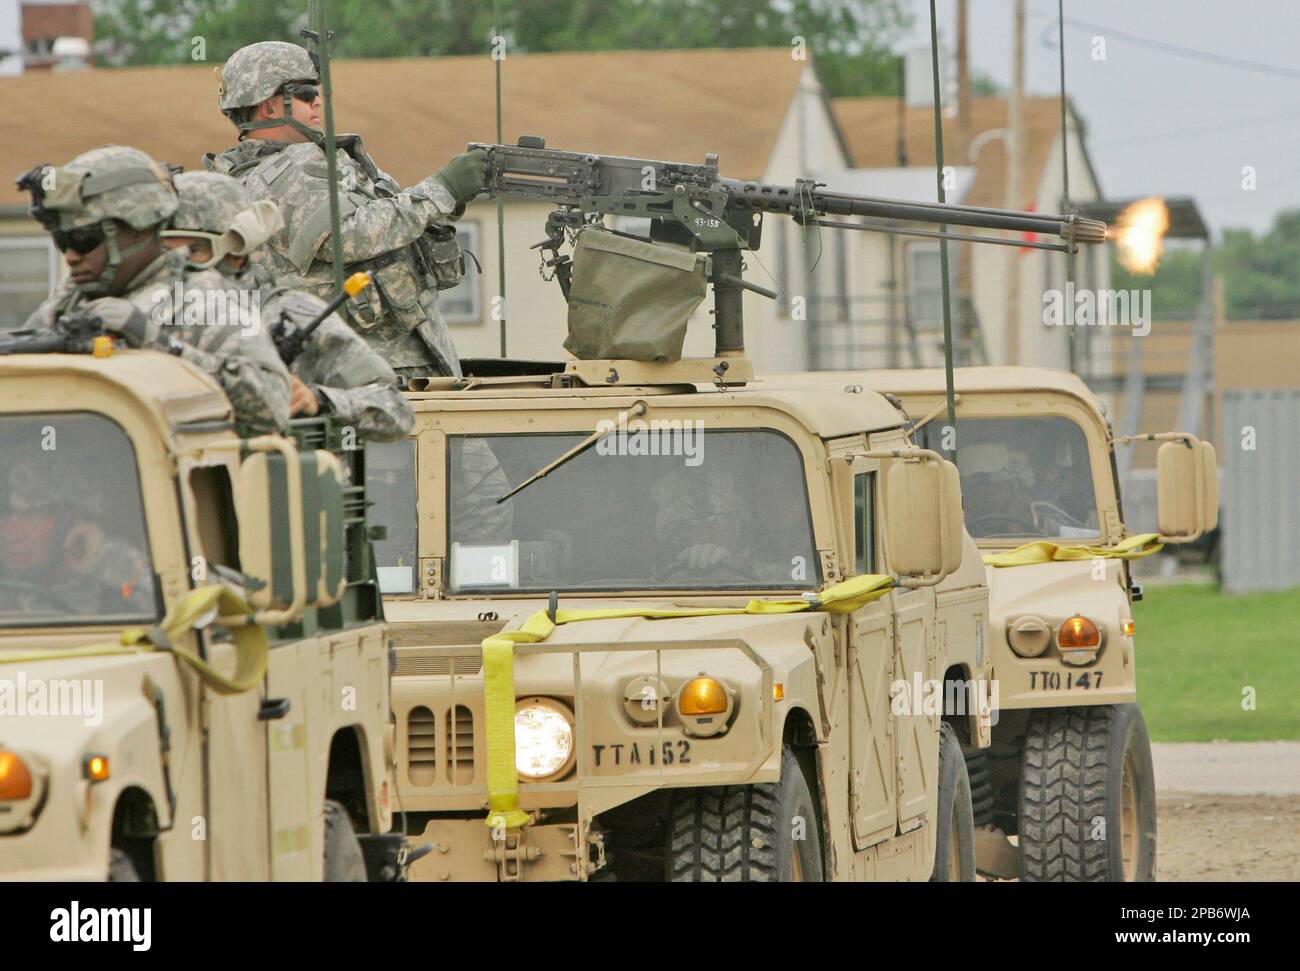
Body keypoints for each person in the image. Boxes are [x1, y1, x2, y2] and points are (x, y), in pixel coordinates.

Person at [205, 41, 489, 379]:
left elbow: (388, 218)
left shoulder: (308, 162)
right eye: (306, 92)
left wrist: (444, 202)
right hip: (371, 370)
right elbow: (348, 237)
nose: (318, 101)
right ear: (269, 106)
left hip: (396, 358)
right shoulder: (280, 173)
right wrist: (443, 189)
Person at [13, 145, 291, 435]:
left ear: (138, 228)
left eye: (84, 239)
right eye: (62, 241)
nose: (70, 256)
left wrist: (153, 341)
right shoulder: (68, 301)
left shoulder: (206, 301)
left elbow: (272, 408)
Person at [161, 170, 414, 443]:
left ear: (237, 249)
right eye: (164, 252)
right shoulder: (147, 314)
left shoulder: (290, 316)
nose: (178, 266)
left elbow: (395, 410)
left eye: (195, 252)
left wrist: (319, 400)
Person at [0, 458, 154, 619]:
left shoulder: (109, 582)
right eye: (2, 519)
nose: (11, 535)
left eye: (30, 519)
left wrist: (104, 556)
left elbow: (171, 613)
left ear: (66, 523)